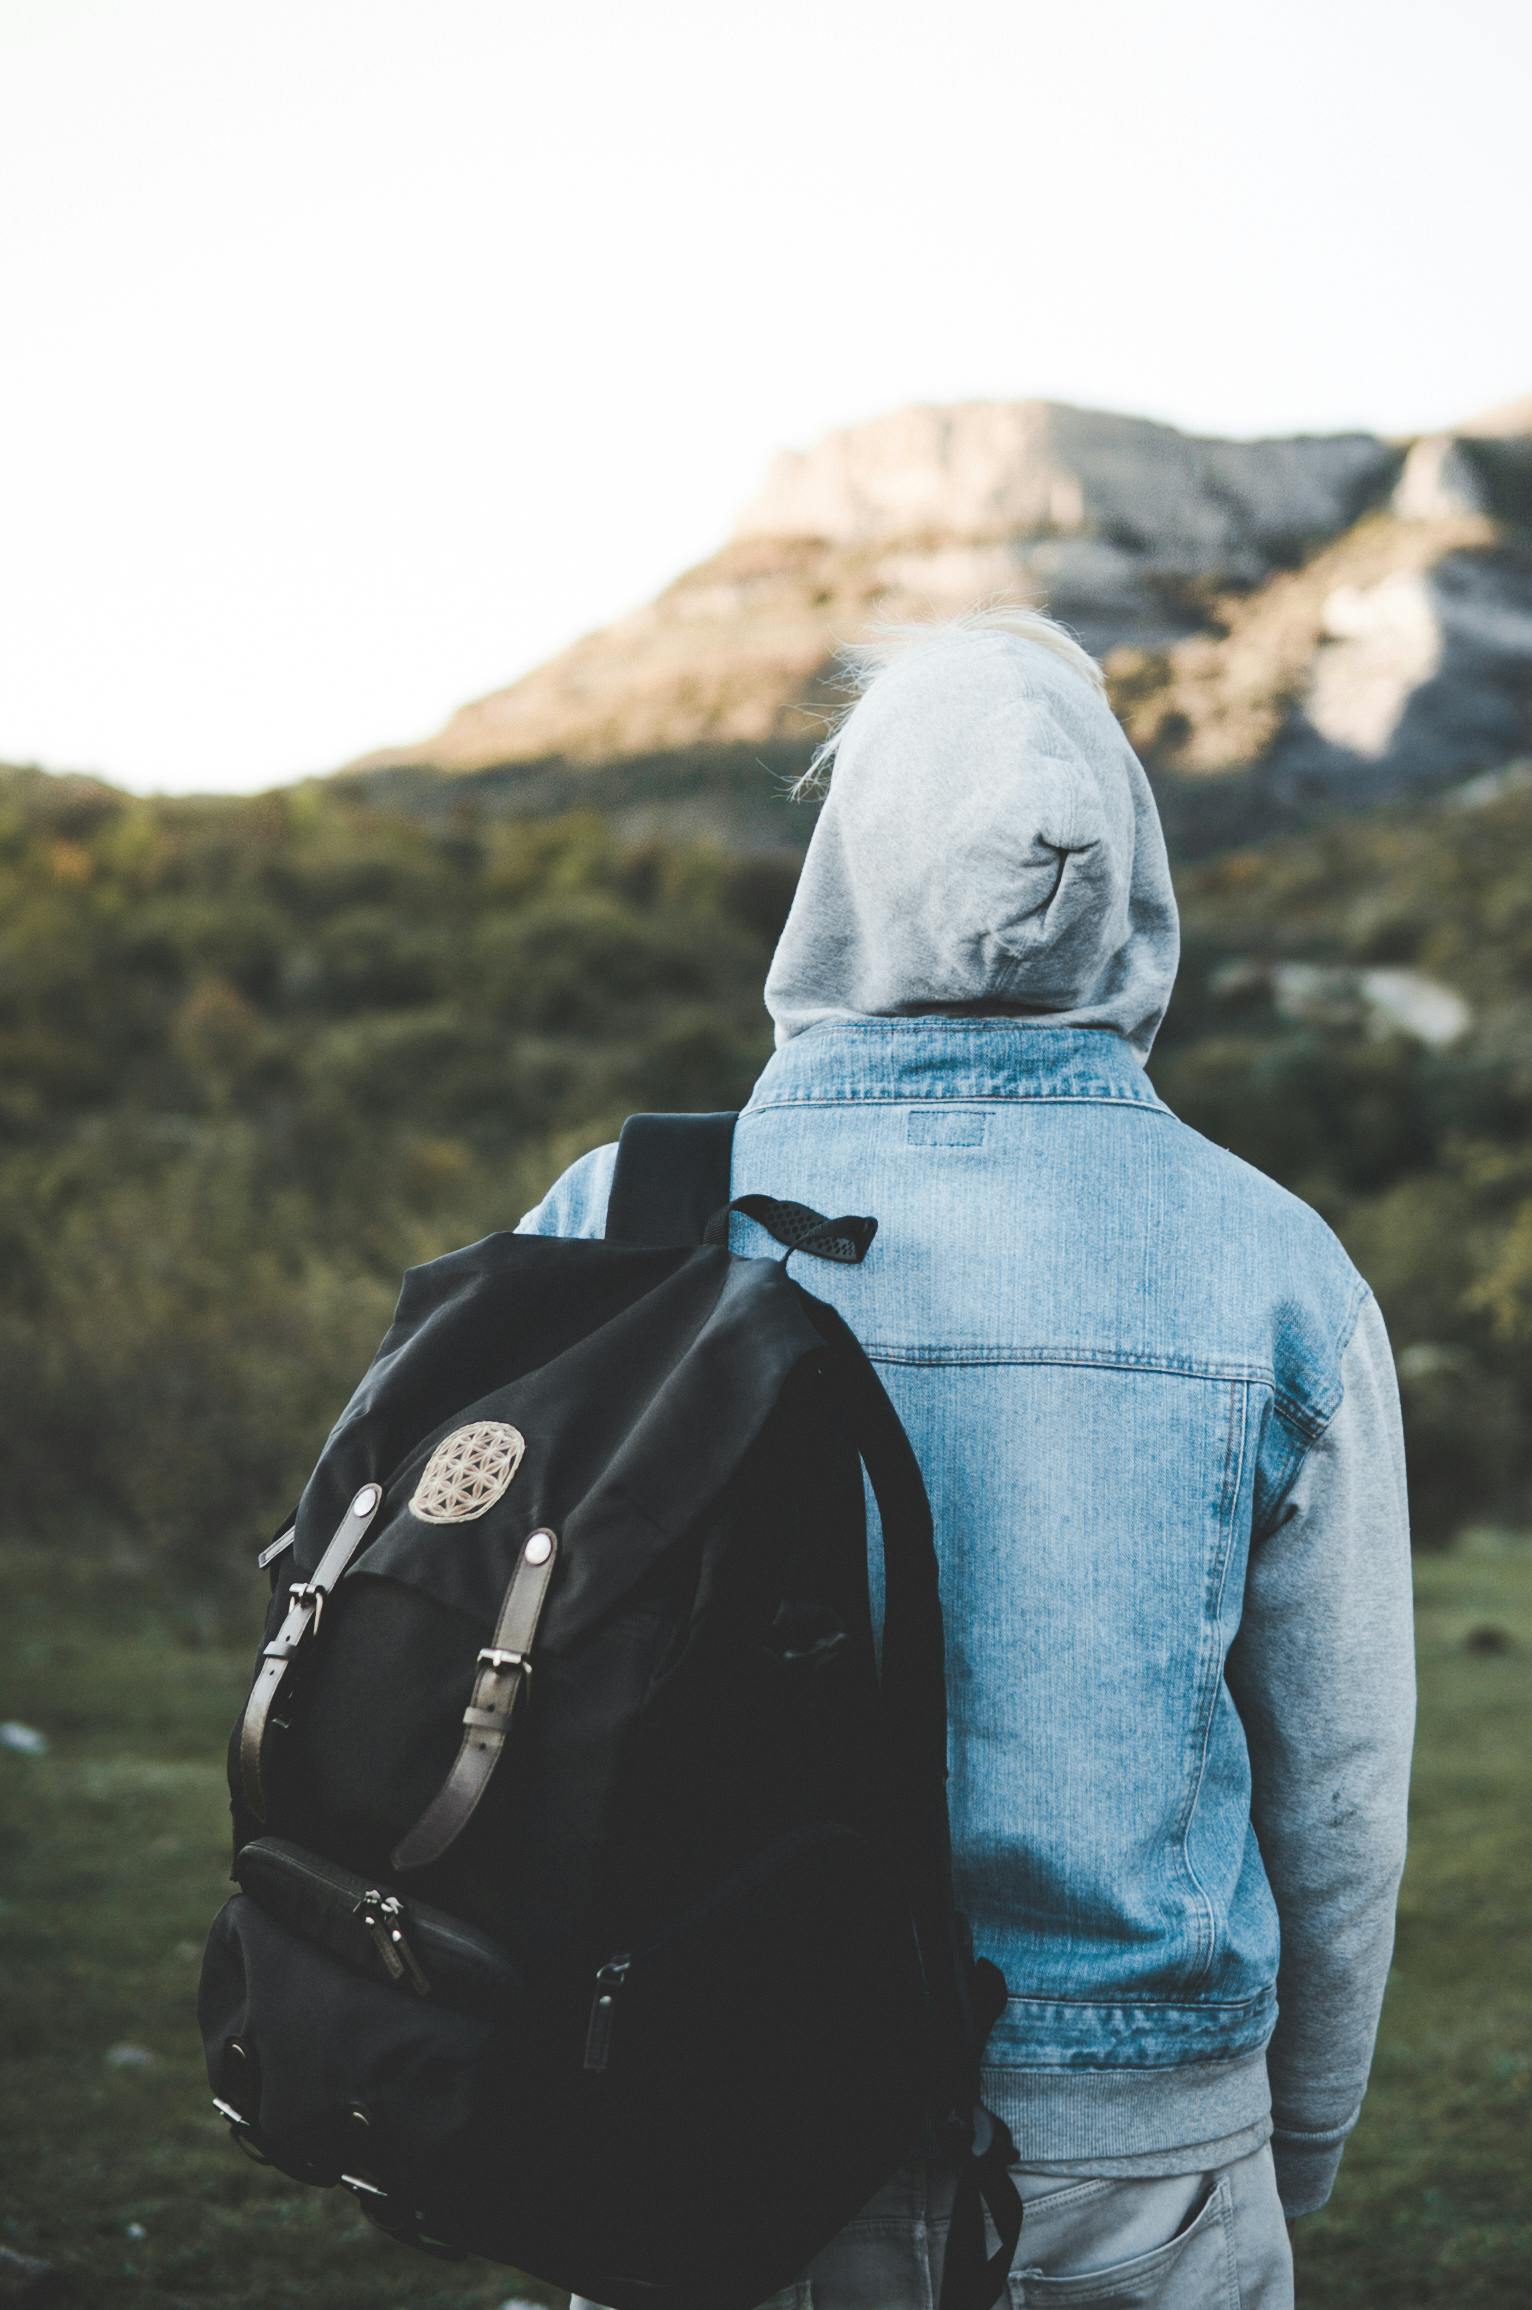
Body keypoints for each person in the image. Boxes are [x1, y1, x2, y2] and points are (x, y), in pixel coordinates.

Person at [520, 606, 1416, 2310]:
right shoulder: (1279, 1264)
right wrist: (1290, 2141)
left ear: (848, 858)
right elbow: (1340, 1785)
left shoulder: (617, 1217)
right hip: (1135, 2149)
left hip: (704, 2107)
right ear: (1133, 870)